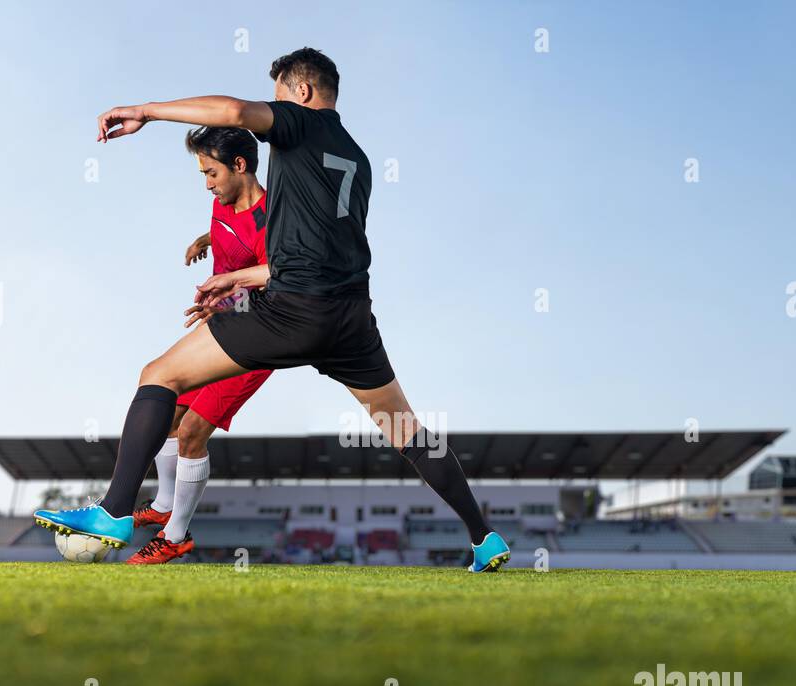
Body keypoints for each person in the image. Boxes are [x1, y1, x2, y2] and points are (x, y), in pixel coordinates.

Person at [35, 47, 509, 572]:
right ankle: (484, 537)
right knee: (407, 432)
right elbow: (311, 242)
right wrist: (238, 274)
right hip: (352, 319)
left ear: (301, 93)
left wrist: (146, 110)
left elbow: (235, 112)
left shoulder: (299, 125)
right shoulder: (359, 159)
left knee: (158, 376)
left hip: (291, 310)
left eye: (280, 94)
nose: (274, 107)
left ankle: (115, 512)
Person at [128, 126, 271, 564]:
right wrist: (203, 240)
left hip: (255, 341)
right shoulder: (221, 203)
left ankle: (176, 535)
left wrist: (227, 303)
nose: (207, 183)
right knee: (166, 409)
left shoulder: (274, 223)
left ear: (240, 166)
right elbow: (228, 231)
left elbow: (279, 291)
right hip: (218, 330)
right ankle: (164, 504)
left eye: (211, 173)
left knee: (191, 434)